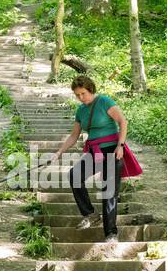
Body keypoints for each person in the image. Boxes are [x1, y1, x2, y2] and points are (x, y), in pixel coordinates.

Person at [50, 75, 127, 242]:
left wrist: (120, 145)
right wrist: (59, 152)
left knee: (109, 192)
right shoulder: (81, 111)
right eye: (77, 95)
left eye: (83, 93)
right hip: (95, 152)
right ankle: (90, 214)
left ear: (91, 90)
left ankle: (111, 233)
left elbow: (123, 122)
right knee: (74, 175)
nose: (81, 97)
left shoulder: (104, 101)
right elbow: (74, 136)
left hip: (113, 150)